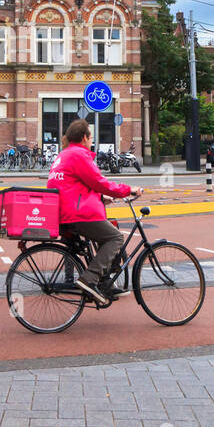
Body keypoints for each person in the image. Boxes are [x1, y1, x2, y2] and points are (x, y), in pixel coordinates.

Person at [47, 118, 141, 305]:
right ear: (84, 137)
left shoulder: (64, 154)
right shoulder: (79, 155)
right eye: (90, 138)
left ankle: (104, 283)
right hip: (76, 213)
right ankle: (89, 279)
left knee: (101, 236)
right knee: (115, 238)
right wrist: (127, 189)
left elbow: (75, 185)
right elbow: (99, 182)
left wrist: (99, 198)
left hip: (64, 211)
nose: (92, 142)